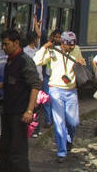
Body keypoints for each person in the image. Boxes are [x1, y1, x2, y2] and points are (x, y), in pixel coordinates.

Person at [0, 29, 40, 172]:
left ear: (16, 43)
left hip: (20, 113)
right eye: (2, 44)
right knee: (5, 149)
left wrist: (29, 110)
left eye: (7, 44)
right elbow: (13, 83)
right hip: (9, 111)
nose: (4, 47)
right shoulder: (11, 61)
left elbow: (35, 86)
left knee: (18, 151)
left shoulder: (24, 61)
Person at [33, 29, 82, 162]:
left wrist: (81, 63)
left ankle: (68, 140)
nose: (71, 47)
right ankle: (61, 152)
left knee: (73, 122)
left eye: (73, 44)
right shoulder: (52, 51)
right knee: (59, 121)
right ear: (62, 43)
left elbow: (80, 61)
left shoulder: (76, 50)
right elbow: (36, 61)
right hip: (56, 89)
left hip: (71, 90)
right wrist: (44, 48)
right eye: (69, 44)